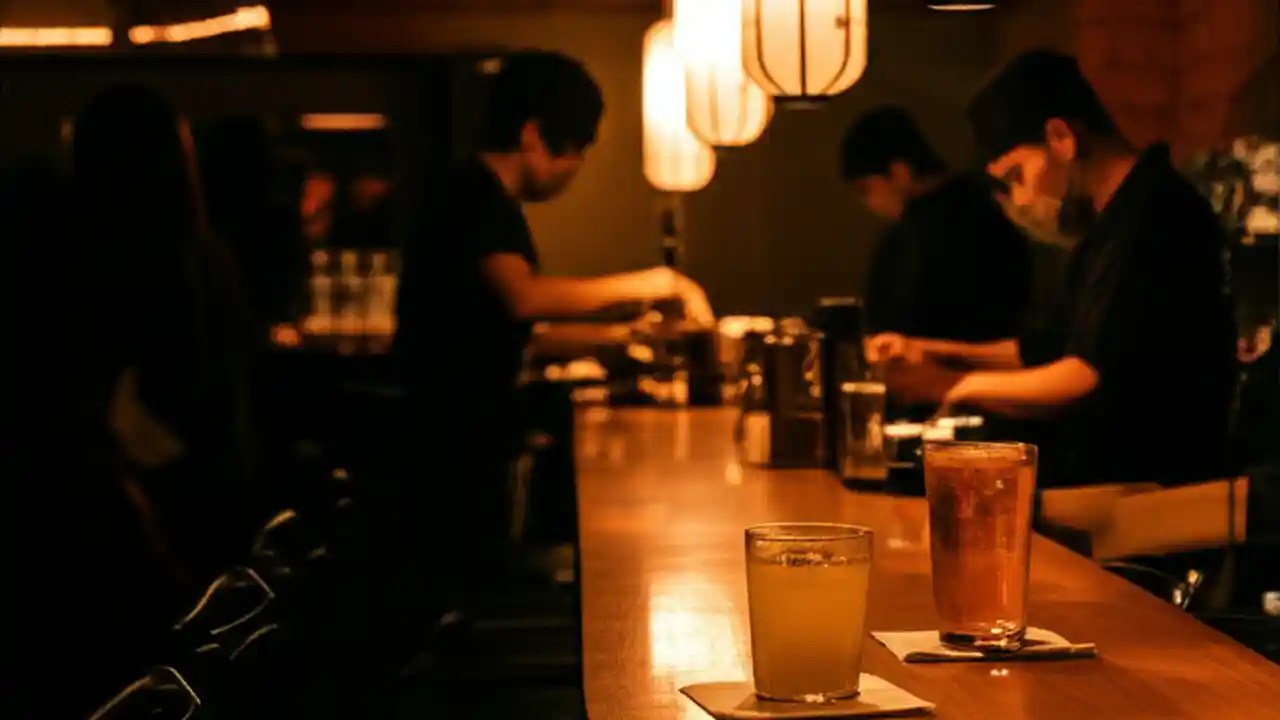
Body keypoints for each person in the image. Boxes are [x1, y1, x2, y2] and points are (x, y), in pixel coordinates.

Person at [867, 50, 1237, 487]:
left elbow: (1088, 375)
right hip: (1104, 484)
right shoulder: (1109, 222)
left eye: (1017, 175)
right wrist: (932, 350)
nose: (1019, 199)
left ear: (1061, 137)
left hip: (1151, 496)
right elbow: (1046, 348)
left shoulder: (1157, 215)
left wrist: (951, 385)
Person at [842, 105, 1031, 343]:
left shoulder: (921, 233)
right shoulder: (987, 206)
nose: (867, 202)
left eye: (865, 189)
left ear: (899, 172)